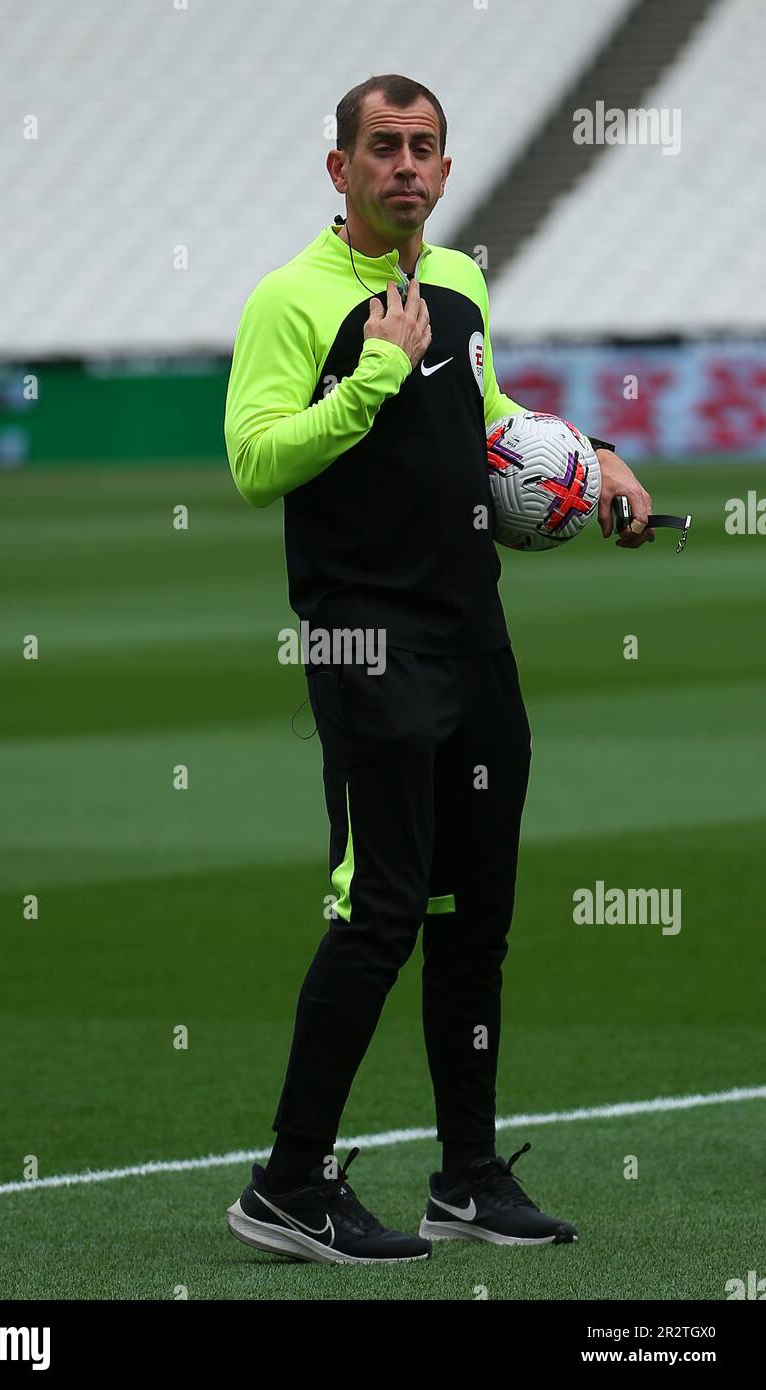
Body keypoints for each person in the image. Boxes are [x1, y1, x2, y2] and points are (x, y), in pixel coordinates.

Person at [222, 74, 654, 1265]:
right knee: (381, 910)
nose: (405, 165)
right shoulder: (291, 299)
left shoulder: (458, 280)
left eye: (423, 148)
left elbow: (486, 413)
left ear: (447, 170)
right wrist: (370, 375)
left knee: (475, 918)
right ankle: (287, 1183)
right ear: (340, 168)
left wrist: (598, 460)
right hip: (366, 641)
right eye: (383, 147)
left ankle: (466, 1177)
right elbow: (255, 463)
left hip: (473, 635)